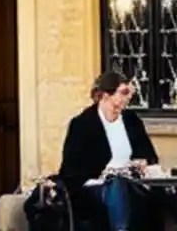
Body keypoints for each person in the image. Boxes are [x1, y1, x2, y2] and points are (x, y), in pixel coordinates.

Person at [58, 72, 160, 231]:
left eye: (130, 93)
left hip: (132, 181)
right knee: (116, 185)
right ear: (106, 95)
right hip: (95, 186)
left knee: (163, 192)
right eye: (124, 93)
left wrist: (142, 162)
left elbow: (149, 155)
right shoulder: (82, 124)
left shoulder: (131, 120)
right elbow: (72, 169)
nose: (128, 98)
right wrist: (105, 173)